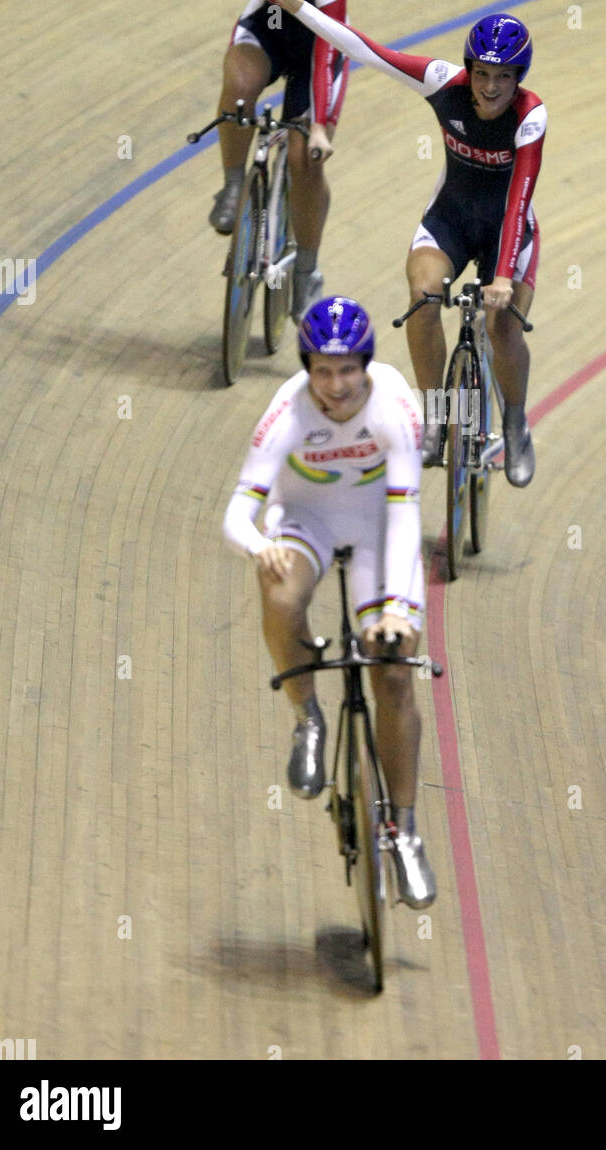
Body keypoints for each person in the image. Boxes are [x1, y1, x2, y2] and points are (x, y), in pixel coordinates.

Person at [257, 0, 546, 486]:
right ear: (469, 71)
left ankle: (515, 419)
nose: (489, 88)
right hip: (452, 218)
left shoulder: (529, 116)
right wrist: (298, 5)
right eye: (482, 74)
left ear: (517, 79)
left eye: (503, 77)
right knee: (423, 296)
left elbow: (520, 193)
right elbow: (365, 49)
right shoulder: (443, 83)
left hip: (510, 232)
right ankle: (437, 414)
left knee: (504, 326)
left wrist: (503, 276)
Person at [222, 295, 436, 908]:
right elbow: (238, 511)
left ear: (367, 365)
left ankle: (406, 832)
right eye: (321, 370)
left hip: (376, 529)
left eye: (346, 370)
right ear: (307, 369)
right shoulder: (285, 412)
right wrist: (259, 545)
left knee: (393, 671)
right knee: (278, 584)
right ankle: (308, 718)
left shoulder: (396, 405)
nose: (335, 386)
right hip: (308, 522)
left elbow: (403, 514)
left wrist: (396, 607)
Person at [167, 0, 350, 319]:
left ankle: (307, 271)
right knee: (240, 86)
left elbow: (329, 47)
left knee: (303, 160)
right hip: (266, 32)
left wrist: (319, 126)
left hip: (316, 54)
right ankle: (232, 186)